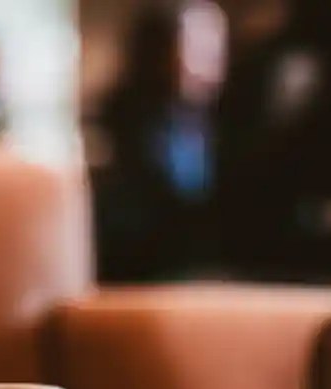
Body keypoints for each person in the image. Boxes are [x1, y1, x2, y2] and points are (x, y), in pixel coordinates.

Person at [91, 0, 228, 283]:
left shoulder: (222, 125)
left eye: (218, 50)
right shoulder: (120, 134)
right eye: (200, 50)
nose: (213, 65)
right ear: (161, 52)